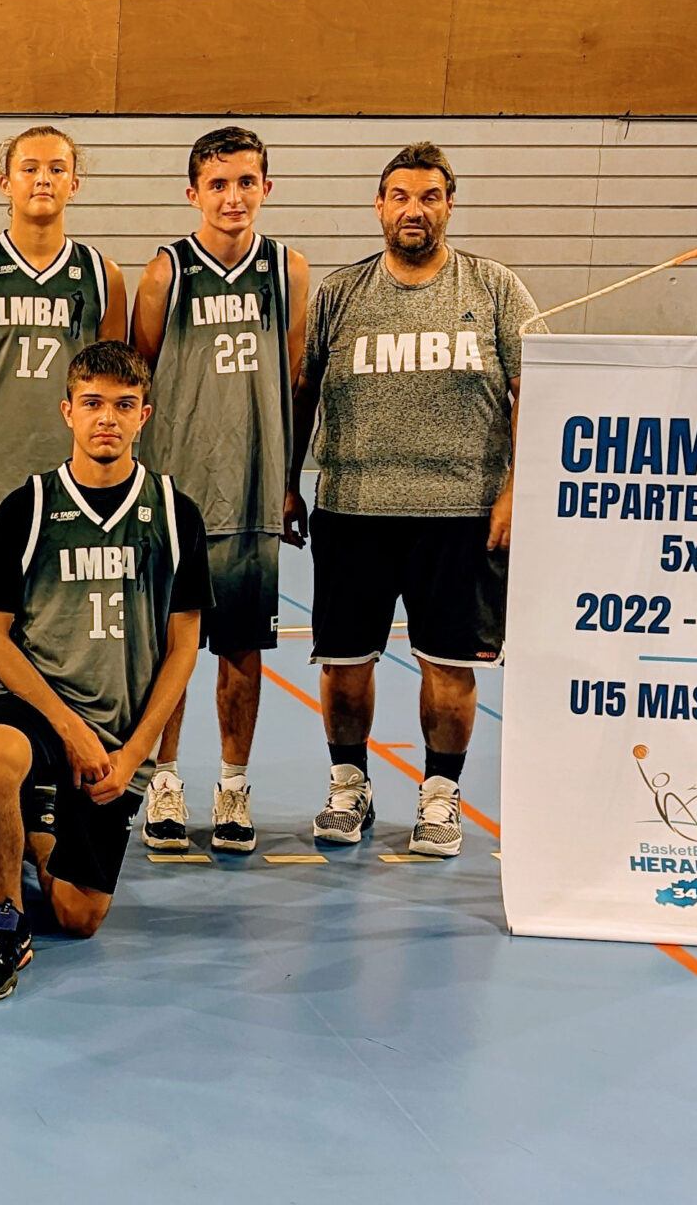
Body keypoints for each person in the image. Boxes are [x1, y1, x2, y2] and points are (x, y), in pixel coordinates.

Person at [291, 143, 531, 859]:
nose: (413, 210)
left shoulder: (492, 289)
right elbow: (302, 396)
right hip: (354, 510)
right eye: (399, 196)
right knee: (344, 663)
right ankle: (348, 786)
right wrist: (286, 484)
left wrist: (516, 491)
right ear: (379, 206)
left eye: (428, 196)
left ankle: (440, 794)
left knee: (449, 667)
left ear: (449, 204)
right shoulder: (340, 294)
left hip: (461, 514)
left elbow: (537, 391)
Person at [0, 342, 208, 1002]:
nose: (108, 419)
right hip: (40, 709)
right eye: (93, 403)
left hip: (119, 730)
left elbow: (184, 645)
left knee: (78, 915)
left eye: (124, 406)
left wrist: (134, 755)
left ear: (144, 414)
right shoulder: (30, 507)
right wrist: (68, 730)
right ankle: (5, 923)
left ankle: (40, 825)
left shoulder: (174, 514)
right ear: (67, 411)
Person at [0, 126, 125, 858]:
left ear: (77, 182)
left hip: (69, 500)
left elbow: (111, 381)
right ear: (3, 180)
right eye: (29, 166)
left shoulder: (99, 277)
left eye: (58, 168)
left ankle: (42, 789)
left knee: (62, 644)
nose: (44, 178)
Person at [128, 126, 310, 854]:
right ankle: (163, 777)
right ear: (192, 193)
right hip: (177, 492)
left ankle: (233, 786)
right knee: (168, 646)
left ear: (266, 187)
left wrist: (288, 480)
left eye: (246, 182)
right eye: (218, 183)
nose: (233, 196)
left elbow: (293, 379)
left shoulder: (287, 270)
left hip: (254, 487)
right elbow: (138, 383)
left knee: (240, 652)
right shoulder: (165, 272)